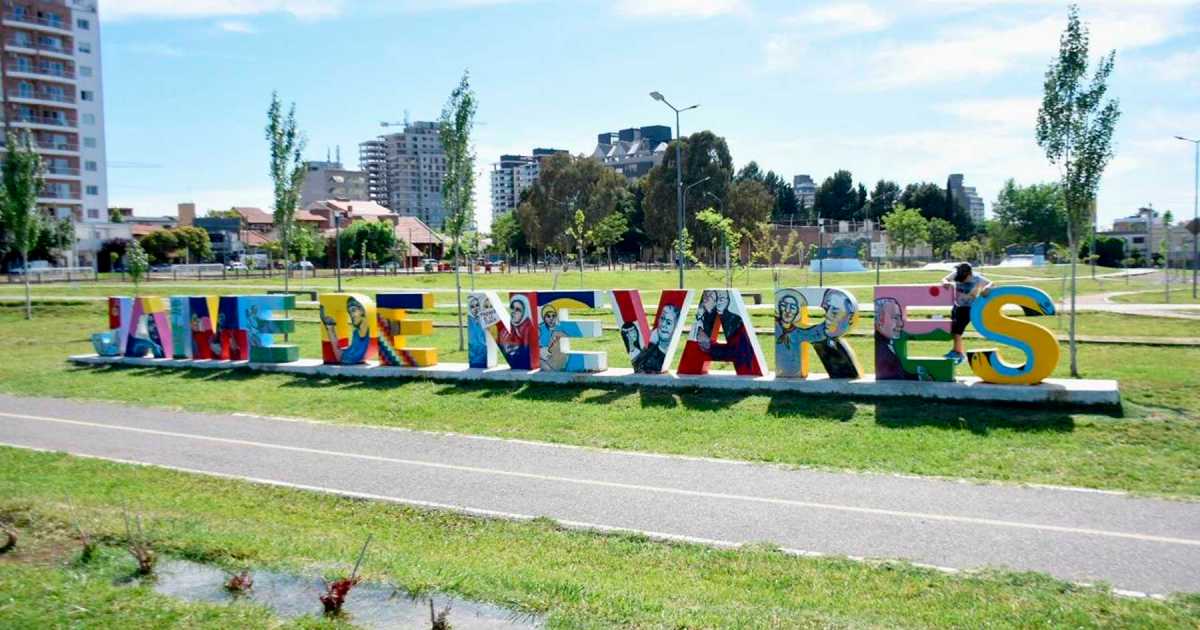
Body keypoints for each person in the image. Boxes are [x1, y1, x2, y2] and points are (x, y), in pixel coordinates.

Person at [941, 262, 992, 364]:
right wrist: (945, 282)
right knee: (954, 330)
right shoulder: (956, 274)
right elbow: (945, 279)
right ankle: (957, 351)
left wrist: (987, 288)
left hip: (969, 308)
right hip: (957, 306)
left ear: (969, 273)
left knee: (957, 331)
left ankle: (958, 352)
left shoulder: (977, 278)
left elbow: (991, 283)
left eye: (962, 275)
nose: (959, 276)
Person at [321, 296, 371, 364]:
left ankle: (330, 327)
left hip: (348, 358)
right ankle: (330, 327)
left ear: (362, 310)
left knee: (340, 352)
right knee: (341, 350)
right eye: (350, 312)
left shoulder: (364, 325)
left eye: (353, 310)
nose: (352, 315)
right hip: (350, 356)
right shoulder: (359, 329)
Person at [632, 303, 677, 373]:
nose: (663, 324)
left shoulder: (666, 352)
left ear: (676, 327)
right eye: (662, 318)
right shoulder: (648, 350)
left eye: (668, 323)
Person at [874, 296, 907, 379]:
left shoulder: (887, 346)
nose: (900, 324)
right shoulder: (883, 352)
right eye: (895, 318)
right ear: (880, 320)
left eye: (900, 318)